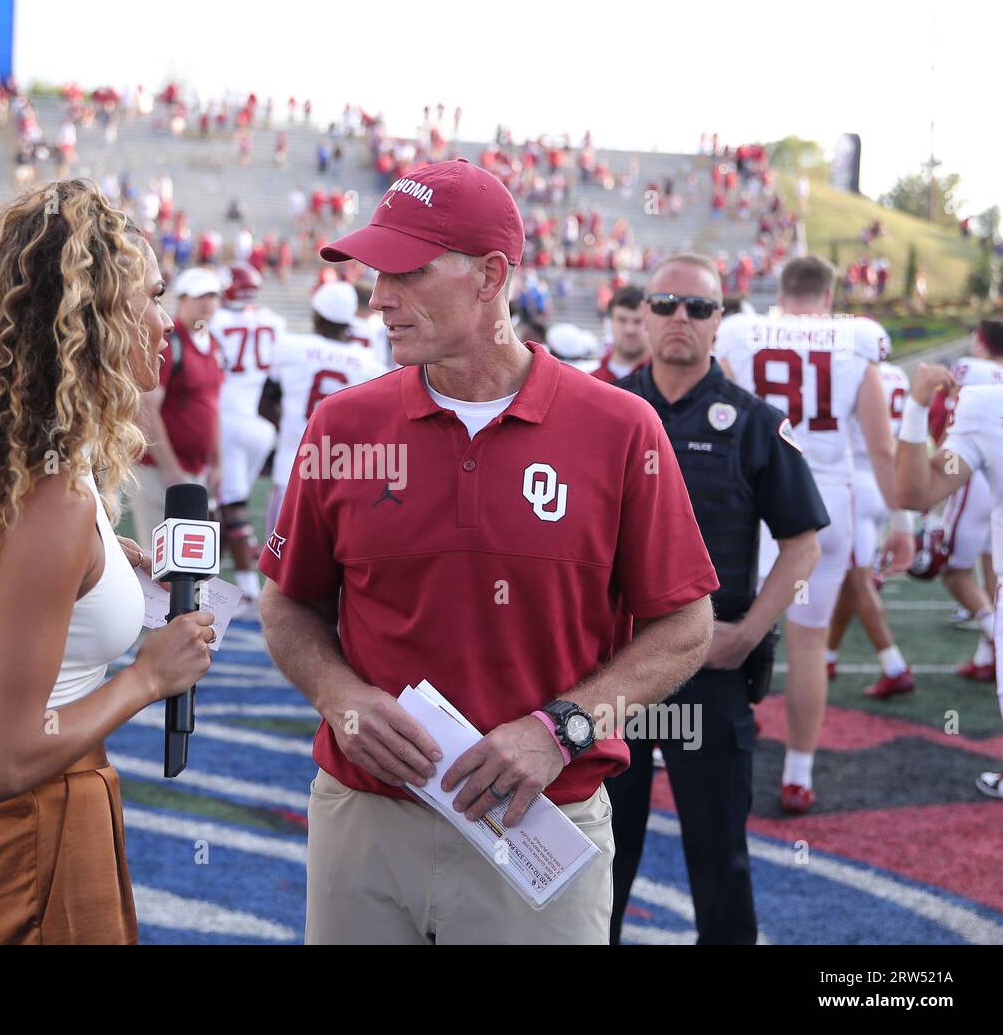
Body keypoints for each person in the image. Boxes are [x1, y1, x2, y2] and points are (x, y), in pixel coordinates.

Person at [260, 157, 718, 945]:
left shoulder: (619, 429)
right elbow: (286, 599)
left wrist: (561, 728)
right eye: (376, 274)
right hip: (365, 818)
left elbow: (685, 625)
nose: (379, 298)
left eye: (405, 271)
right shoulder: (342, 426)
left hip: (539, 822)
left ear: (490, 276)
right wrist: (339, 695)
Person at [0, 179, 216, 944]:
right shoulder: (56, 500)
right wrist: (150, 676)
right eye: (149, 297)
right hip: (33, 827)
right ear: (90, 322)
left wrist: (100, 570)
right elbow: (12, 760)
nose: (164, 319)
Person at [609, 253, 826, 945]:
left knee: (721, 864)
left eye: (698, 308)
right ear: (643, 312)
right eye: (667, 303)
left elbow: (803, 547)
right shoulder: (599, 410)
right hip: (611, 678)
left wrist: (749, 631)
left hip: (710, 674)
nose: (681, 318)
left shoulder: (758, 423)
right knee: (596, 863)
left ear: (719, 323)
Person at [716, 256, 914, 813]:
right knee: (807, 642)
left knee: (723, 629)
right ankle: (799, 774)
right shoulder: (855, 340)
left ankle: (717, 757)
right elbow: (880, 447)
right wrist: (902, 521)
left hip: (749, 505)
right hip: (822, 505)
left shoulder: (741, 332)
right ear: (828, 297)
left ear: (780, 294)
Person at [895, 356, 1003, 800]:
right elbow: (918, 491)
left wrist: (917, 406)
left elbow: (915, 492)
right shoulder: (987, 406)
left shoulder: (988, 406)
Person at [825, 336, 916, 697]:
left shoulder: (853, 374)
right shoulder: (898, 377)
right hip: (883, 483)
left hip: (855, 485)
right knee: (853, 578)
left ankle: (894, 666)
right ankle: (827, 656)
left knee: (859, 579)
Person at [262, 281, 387, 535]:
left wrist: (289, 426)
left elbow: (266, 402)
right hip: (342, 474)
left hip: (292, 465)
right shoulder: (369, 364)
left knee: (277, 559)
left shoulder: (290, 347)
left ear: (317, 314)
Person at [920, 324, 1003, 682]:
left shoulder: (969, 368)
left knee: (952, 571)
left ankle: (993, 635)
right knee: (992, 572)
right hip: (996, 481)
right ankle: (987, 657)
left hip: (972, 473)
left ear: (981, 341)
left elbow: (941, 415)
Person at [127, 267, 225, 546]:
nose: (208, 304)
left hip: (194, 469)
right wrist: (170, 468)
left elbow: (212, 407)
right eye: (200, 297)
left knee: (189, 557)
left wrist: (217, 463)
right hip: (161, 470)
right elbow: (147, 407)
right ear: (182, 300)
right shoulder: (169, 343)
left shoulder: (212, 344)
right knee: (161, 558)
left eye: (213, 296)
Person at [210, 262, 284, 612]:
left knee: (231, 505)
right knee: (226, 507)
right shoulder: (273, 321)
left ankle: (249, 590)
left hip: (228, 422)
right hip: (261, 427)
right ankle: (208, 579)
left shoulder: (218, 322)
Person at [589, 285, 648, 382]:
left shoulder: (665, 382)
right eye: (622, 320)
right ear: (610, 322)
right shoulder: (592, 382)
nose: (630, 329)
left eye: (638, 321)